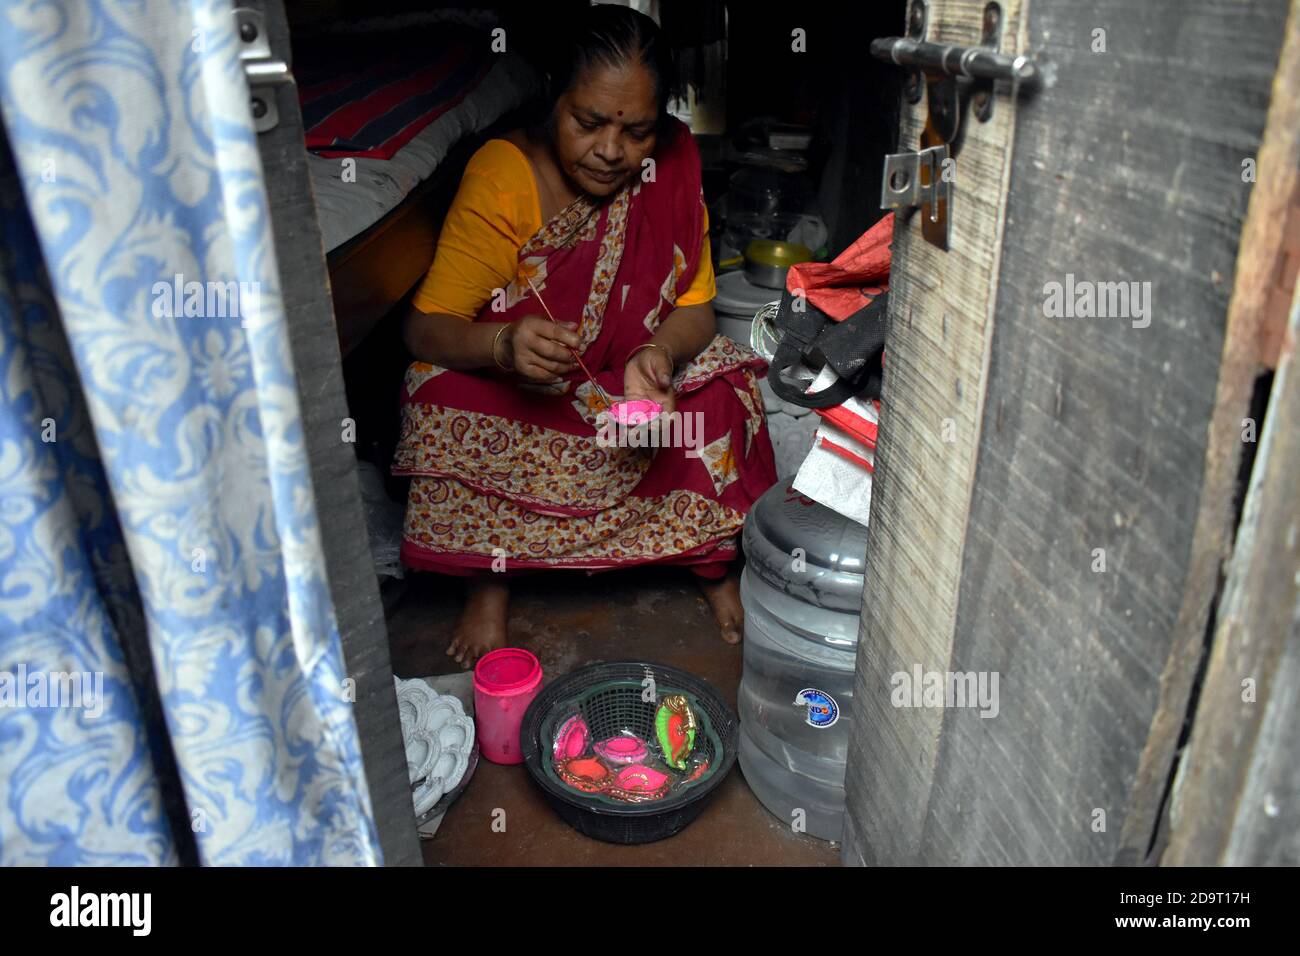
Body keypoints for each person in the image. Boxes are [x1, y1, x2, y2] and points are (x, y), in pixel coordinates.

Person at [395, 4, 777, 667]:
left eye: (637, 132)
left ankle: (708, 560)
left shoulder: (675, 165)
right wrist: (502, 346)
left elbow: (697, 309)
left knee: (728, 390)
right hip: (527, 400)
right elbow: (424, 330)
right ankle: (491, 574)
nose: (610, 150)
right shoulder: (504, 174)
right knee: (433, 396)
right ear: (554, 98)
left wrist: (654, 355)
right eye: (589, 122)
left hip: (622, 396)